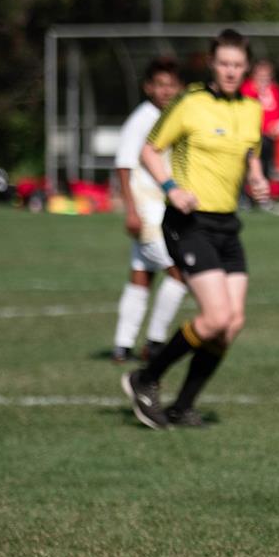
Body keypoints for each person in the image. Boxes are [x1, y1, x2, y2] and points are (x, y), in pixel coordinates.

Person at [121, 29, 269, 430]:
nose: (230, 71)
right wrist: (171, 187)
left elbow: (249, 151)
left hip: (226, 225)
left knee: (231, 324)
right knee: (216, 316)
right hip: (189, 222)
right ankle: (145, 377)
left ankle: (182, 406)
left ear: (247, 68)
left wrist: (256, 179)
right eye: (223, 63)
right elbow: (149, 150)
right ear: (211, 63)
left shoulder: (252, 109)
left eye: (238, 65)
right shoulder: (191, 103)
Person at [110, 57, 190, 363]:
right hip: (147, 208)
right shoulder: (143, 118)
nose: (166, 91)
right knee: (179, 272)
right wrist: (130, 210)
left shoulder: (173, 115)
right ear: (148, 88)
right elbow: (123, 165)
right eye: (159, 85)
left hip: (163, 208)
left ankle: (122, 345)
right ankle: (155, 342)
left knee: (141, 275)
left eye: (171, 85)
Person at [242, 57, 279, 142]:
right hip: (251, 134)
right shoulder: (246, 88)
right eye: (260, 75)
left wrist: (276, 126)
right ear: (253, 74)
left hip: (271, 136)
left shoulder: (275, 90)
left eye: (266, 76)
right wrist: (256, 92)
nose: (263, 79)